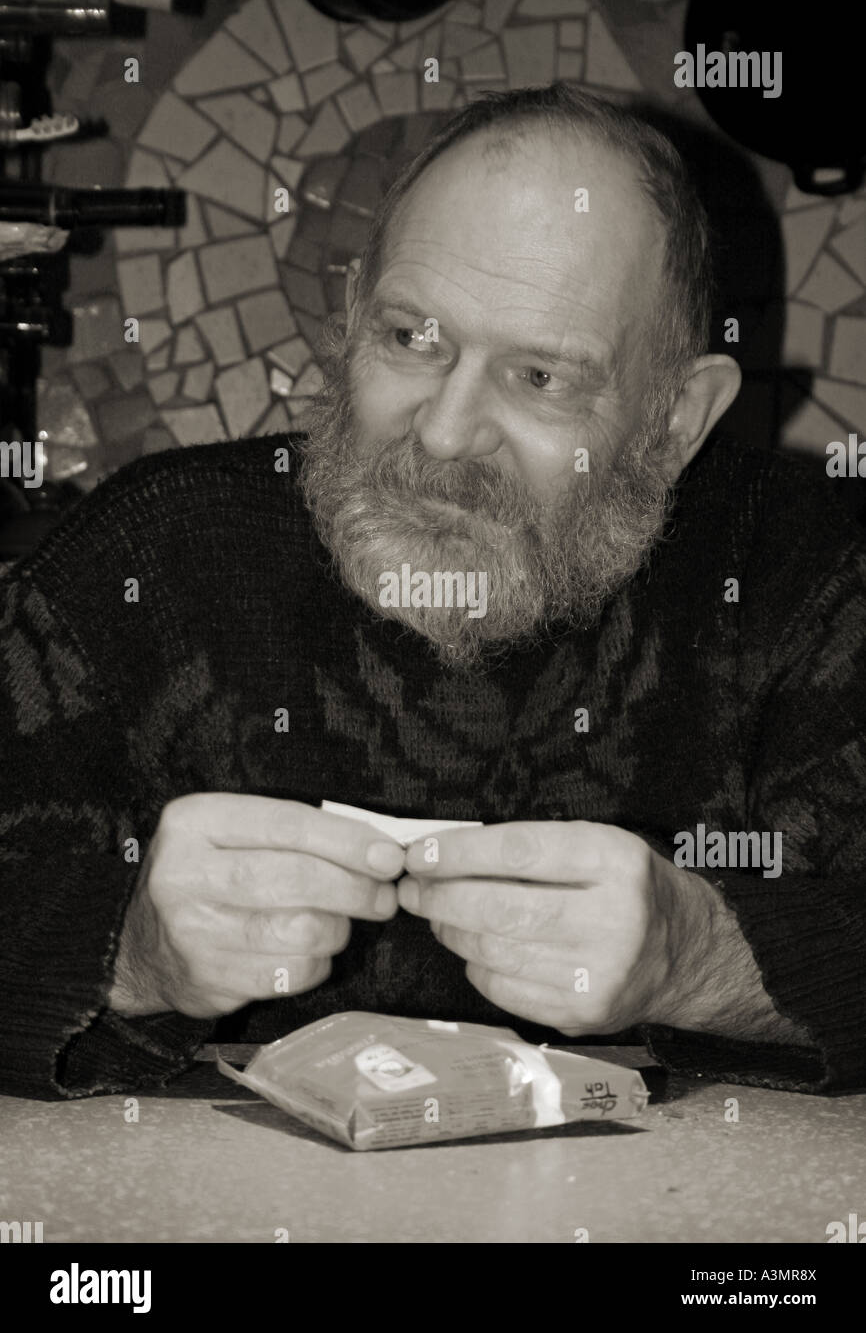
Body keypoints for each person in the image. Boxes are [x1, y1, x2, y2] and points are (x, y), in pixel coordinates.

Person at [1, 83, 864, 1101]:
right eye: (411, 337)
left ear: (673, 420)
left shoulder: (798, 572)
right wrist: (128, 948)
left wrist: (699, 956)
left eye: (539, 378)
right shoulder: (149, 557)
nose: (446, 433)